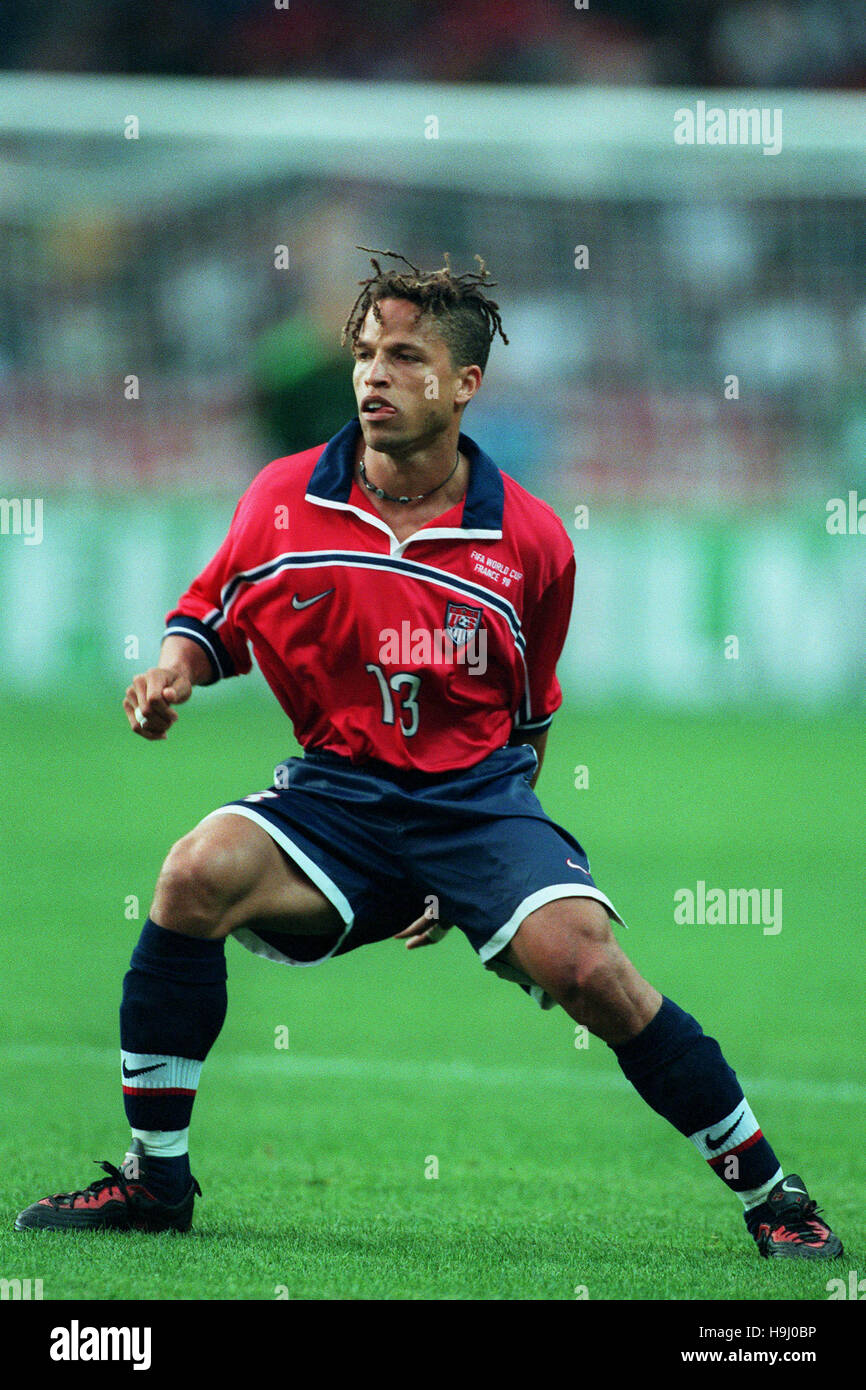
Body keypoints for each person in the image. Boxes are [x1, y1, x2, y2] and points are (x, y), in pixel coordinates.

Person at [15, 250, 842, 1261]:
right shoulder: (282, 500)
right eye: (364, 353)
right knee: (194, 873)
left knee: (588, 969)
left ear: (463, 384)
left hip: (476, 807)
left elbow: (529, 719)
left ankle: (772, 1192)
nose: (373, 376)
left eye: (404, 357)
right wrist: (172, 672)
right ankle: (155, 1182)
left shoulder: (531, 541)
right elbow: (215, 616)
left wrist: (476, 883)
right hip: (333, 799)